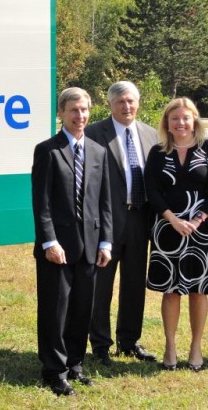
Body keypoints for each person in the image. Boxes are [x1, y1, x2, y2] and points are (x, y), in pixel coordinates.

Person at [31, 87, 113, 396]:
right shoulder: (48, 151)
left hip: (90, 246)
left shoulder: (98, 151)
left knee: (82, 309)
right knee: (56, 310)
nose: (80, 115)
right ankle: (54, 370)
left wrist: (105, 242)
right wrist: (49, 242)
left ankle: (75, 363)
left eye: (84, 109)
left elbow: (105, 201)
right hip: (58, 248)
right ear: (61, 113)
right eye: (74, 110)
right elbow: (41, 203)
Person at [145, 97, 208, 371]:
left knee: (198, 291)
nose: (180, 123)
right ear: (167, 123)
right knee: (170, 291)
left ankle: (196, 347)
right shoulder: (157, 152)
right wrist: (172, 219)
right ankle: (170, 348)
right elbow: (152, 190)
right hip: (167, 229)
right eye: (174, 118)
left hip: (202, 231)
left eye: (185, 118)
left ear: (194, 121)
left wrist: (196, 220)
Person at [86, 81, 158, 366]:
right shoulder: (94, 134)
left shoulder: (151, 134)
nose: (127, 107)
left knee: (134, 284)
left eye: (131, 101)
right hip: (107, 221)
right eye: (120, 102)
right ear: (110, 105)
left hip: (141, 219)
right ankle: (100, 344)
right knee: (101, 285)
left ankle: (129, 341)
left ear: (137, 103)